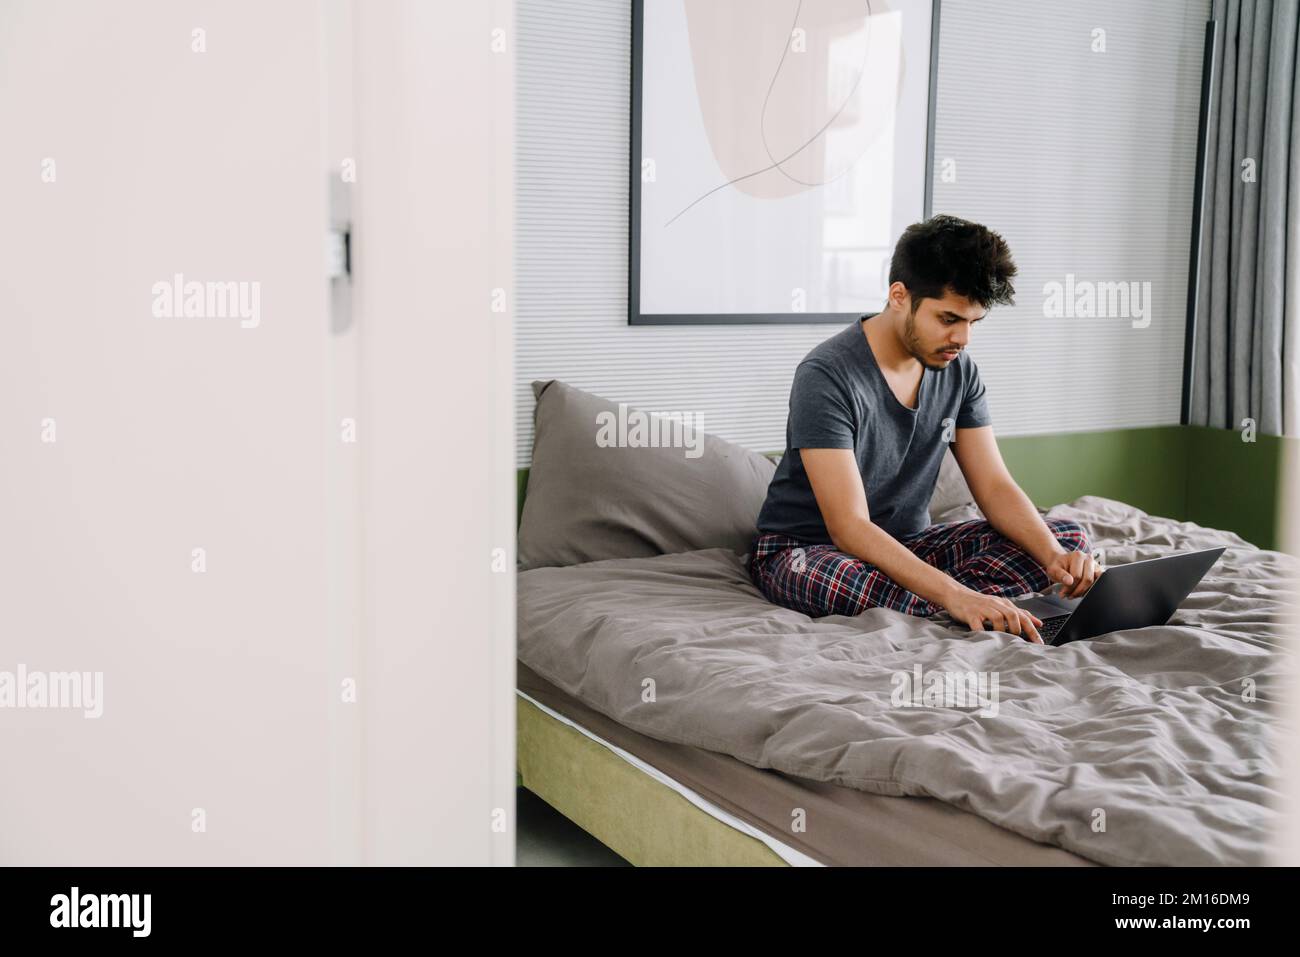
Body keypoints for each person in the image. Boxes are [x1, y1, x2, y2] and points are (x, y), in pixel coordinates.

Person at [749, 215, 1101, 644]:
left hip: (913, 545)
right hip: (809, 551)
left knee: (1066, 536)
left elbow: (992, 486)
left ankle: (963, 604)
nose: (963, 338)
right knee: (834, 576)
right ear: (899, 296)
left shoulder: (960, 371)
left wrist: (1054, 558)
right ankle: (965, 603)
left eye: (973, 322)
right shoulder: (826, 374)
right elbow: (849, 527)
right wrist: (954, 592)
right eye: (949, 318)